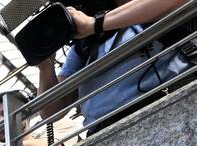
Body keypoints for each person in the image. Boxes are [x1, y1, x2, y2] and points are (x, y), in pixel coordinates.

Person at [38, 1, 195, 134]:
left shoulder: (144, 8)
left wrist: (96, 23)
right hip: (102, 133)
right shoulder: (83, 45)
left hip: (165, 106)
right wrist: (45, 68)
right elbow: (51, 112)